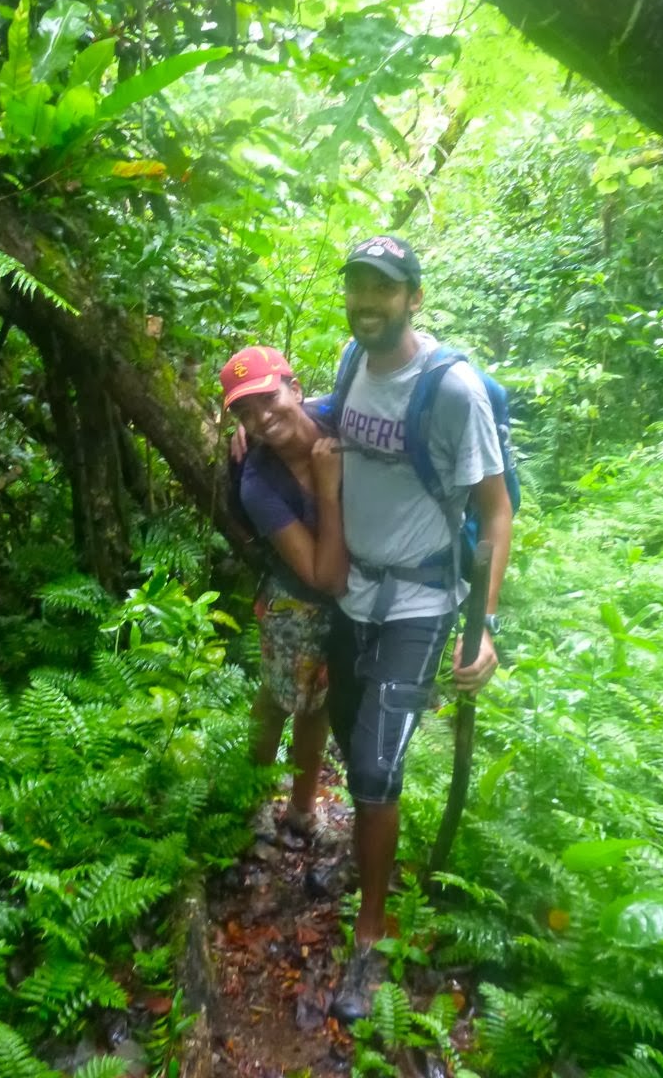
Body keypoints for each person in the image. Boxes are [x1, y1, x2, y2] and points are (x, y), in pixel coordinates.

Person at [327, 233, 512, 1023]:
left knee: (374, 770)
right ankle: (370, 860)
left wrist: (486, 623)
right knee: (348, 736)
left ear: (414, 298)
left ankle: (371, 934)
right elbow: (333, 430)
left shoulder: (453, 390)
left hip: (422, 602)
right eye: (357, 288)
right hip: (354, 594)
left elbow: (496, 509)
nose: (367, 303)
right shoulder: (351, 361)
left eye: (383, 289)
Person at [219, 345, 349, 837]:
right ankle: (255, 804)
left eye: (267, 400)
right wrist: (327, 486)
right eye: (244, 413)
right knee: (278, 699)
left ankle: (301, 810)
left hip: (352, 599)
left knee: (321, 705)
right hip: (296, 601)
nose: (261, 418)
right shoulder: (258, 483)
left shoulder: (336, 415)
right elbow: (317, 574)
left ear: (296, 389)